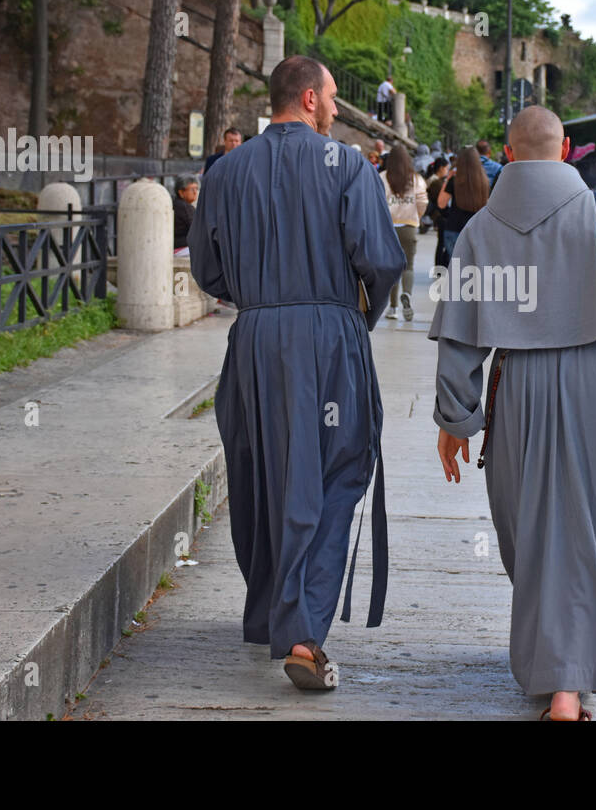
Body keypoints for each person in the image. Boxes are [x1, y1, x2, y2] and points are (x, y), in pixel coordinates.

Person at [430, 105, 596, 721]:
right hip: (595, 382)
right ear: (566, 148)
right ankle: (569, 680)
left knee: (530, 528)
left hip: (513, 387)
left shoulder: (481, 230)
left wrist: (455, 420)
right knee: (587, 528)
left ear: (509, 154)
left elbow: (460, 339)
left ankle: (559, 673)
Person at [187, 55, 405, 691]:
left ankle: (271, 613)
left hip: (256, 337)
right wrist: (349, 314)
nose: (337, 109)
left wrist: (260, 298)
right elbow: (380, 261)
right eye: (333, 97)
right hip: (328, 334)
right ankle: (304, 632)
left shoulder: (226, 171)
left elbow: (206, 268)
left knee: (263, 472)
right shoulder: (347, 167)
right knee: (334, 469)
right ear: (309, 99)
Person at [381, 144, 428, 321]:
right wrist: (416, 216)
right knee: (408, 266)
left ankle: (392, 307)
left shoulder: (382, 178)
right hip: (409, 227)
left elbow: (376, 203)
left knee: (392, 268)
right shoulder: (416, 179)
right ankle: (407, 294)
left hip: (388, 228)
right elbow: (423, 202)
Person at [436, 146, 489, 259]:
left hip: (454, 227)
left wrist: (447, 180)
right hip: (477, 230)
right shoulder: (484, 181)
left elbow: (441, 203)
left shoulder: (455, 180)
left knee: (457, 268)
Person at [172, 174, 199, 253]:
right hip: (181, 248)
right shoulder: (185, 207)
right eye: (192, 189)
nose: (195, 192)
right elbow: (196, 230)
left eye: (196, 189)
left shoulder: (176, 203)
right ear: (181, 192)